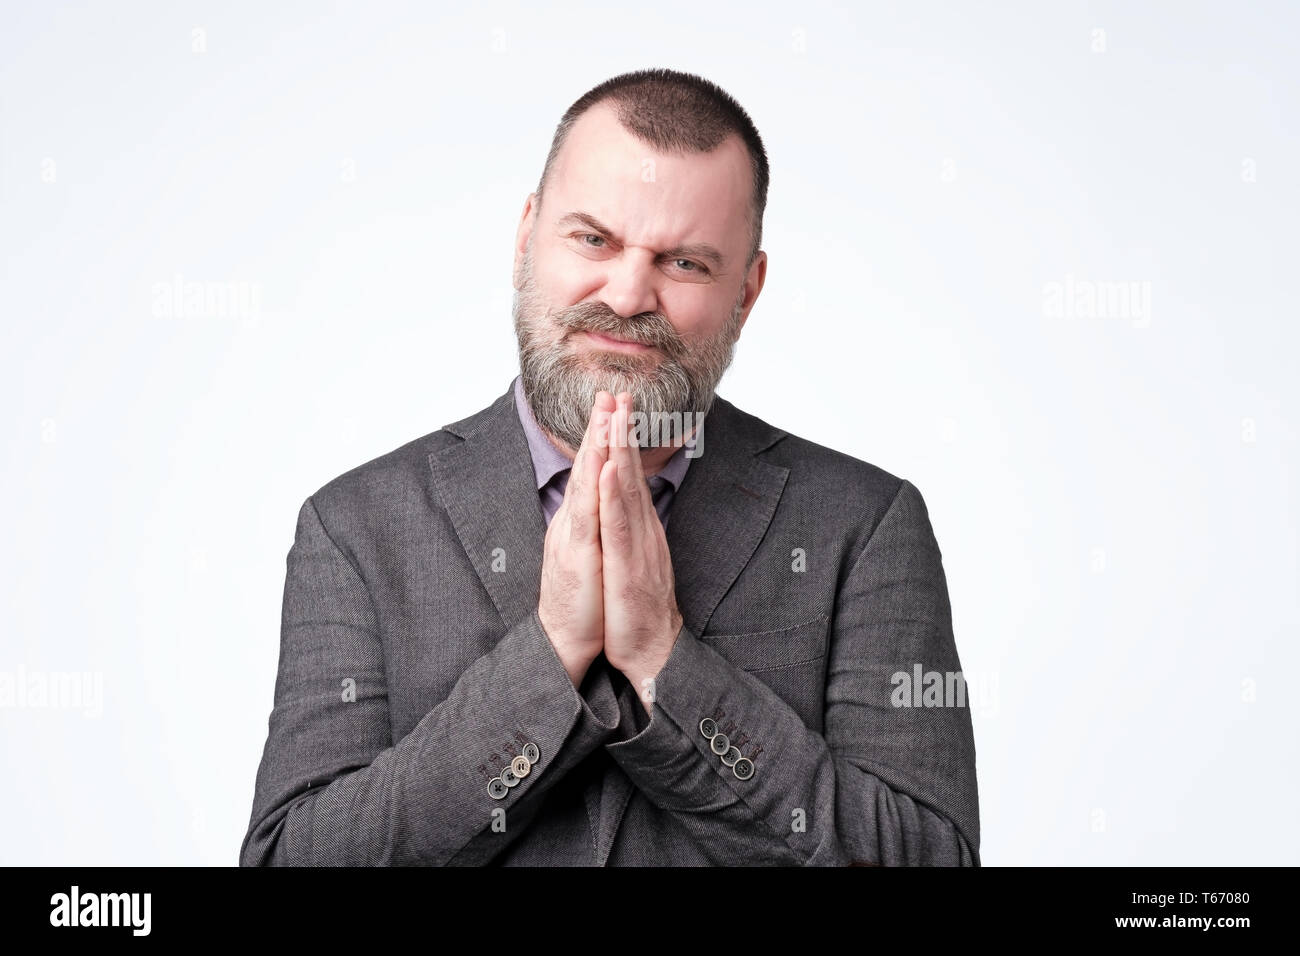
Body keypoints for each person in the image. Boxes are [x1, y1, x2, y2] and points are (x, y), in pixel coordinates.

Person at [240, 67, 979, 866]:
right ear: (527, 237)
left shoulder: (864, 526)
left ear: (748, 291)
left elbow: (929, 857)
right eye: (593, 239)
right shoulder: (355, 527)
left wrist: (668, 663)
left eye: (686, 263)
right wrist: (550, 654)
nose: (627, 295)